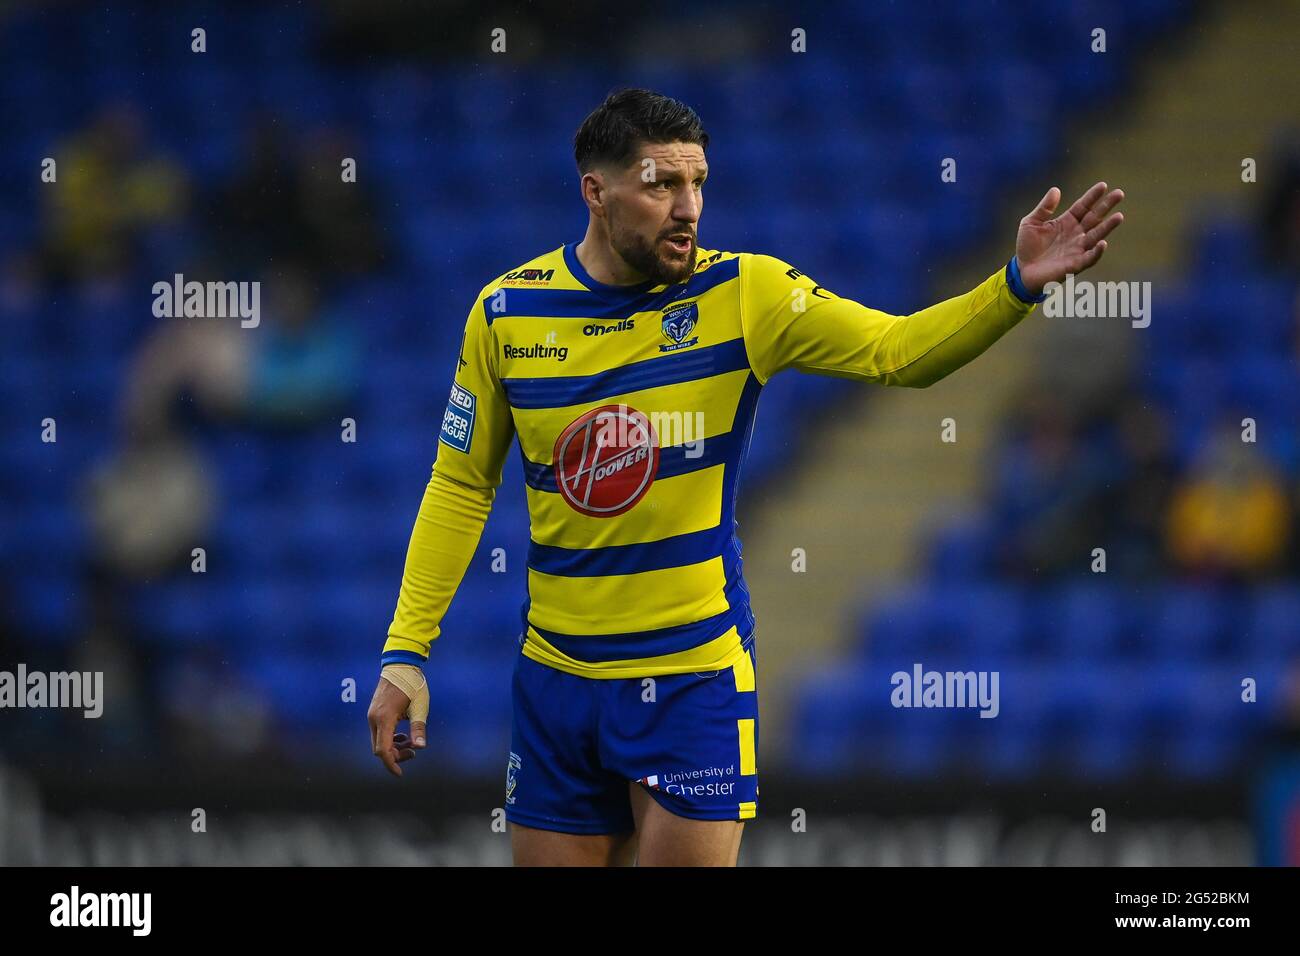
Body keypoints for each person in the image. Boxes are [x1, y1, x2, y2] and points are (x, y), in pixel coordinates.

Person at [367, 88, 1125, 866]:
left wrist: (1014, 286)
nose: (688, 206)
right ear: (595, 191)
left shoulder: (745, 295)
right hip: (556, 681)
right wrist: (405, 651)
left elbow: (899, 354)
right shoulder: (506, 313)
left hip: (692, 673)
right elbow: (460, 486)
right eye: (662, 184)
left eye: (697, 183)